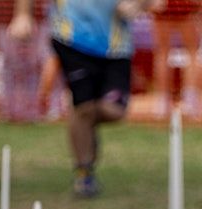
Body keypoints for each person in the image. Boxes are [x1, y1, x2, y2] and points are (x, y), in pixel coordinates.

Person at [10, 0, 158, 197]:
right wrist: (22, 15)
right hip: (71, 38)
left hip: (115, 45)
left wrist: (138, 5)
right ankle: (84, 174)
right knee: (84, 106)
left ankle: (84, 124)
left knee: (114, 111)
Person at [152, 0, 202, 119]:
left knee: (162, 51)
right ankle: (189, 99)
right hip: (182, 5)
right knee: (191, 51)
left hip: (165, 7)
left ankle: (163, 102)